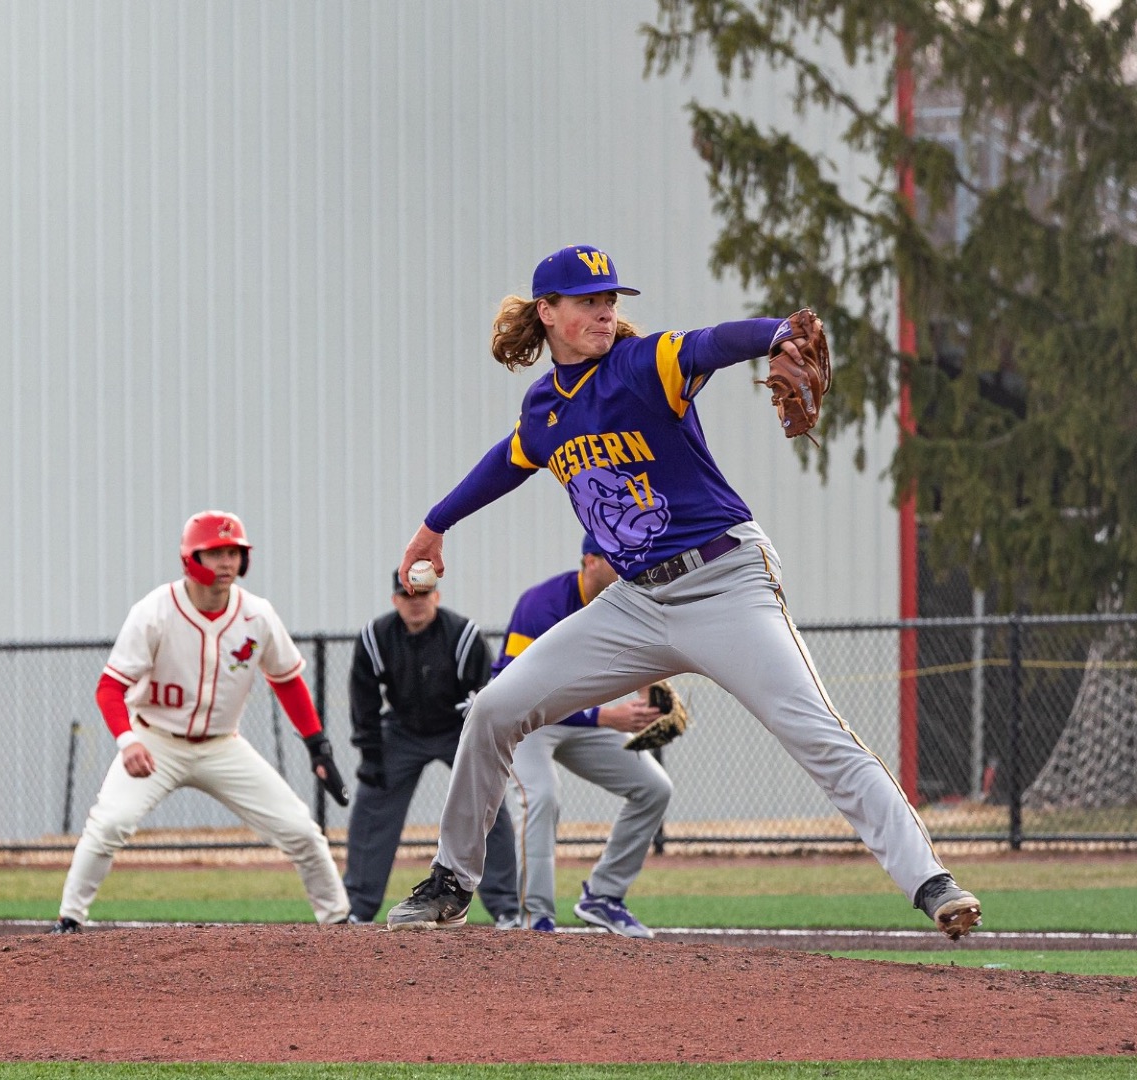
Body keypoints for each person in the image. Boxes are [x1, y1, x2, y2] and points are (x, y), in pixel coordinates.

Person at [385, 244, 981, 939]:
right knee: (493, 709)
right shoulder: (546, 408)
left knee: (815, 731)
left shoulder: (641, 367)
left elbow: (711, 344)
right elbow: (507, 461)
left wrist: (777, 333)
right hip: (636, 602)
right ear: (547, 313)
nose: (605, 310)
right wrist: (434, 526)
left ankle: (930, 881)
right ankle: (452, 880)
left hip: (727, 583)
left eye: (610, 298)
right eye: (586, 300)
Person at [53, 511, 349, 930]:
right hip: (155, 740)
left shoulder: (257, 615)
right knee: (111, 823)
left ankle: (338, 922)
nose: (226, 562)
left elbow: (287, 682)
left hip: (221, 746)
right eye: (214, 553)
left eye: (234, 552)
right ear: (190, 559)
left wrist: (317, 745)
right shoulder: (155, 611)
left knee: (300, 829)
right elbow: (109, 688)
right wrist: (127, 740)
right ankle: (69, 920)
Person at [501, 535, 673, 938]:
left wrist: (652, 700)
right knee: (540, 796)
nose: (628, 567)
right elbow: (520, 695)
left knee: (654, 787)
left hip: (584, 720)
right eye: (618, 559)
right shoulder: (541, 604)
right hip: (524, 721)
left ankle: (604, 896)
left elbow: (650, 660)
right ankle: (535, 920)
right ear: (590, 561)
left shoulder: (630, 601)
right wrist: (604, 715)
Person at [343, 570, 519, 926]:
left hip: (458, 726)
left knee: (488, 804)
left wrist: (484, 746)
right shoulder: (376, 636)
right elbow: (363, 699)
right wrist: (370, 752)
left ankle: (505, 908)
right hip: (403, 728)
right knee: (371, 804)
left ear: (436, 596)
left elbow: (483, 694)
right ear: (396, 600)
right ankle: (358, 909)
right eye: (408, 596)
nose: (416, 603)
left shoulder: (463, 634)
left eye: (423, 595)